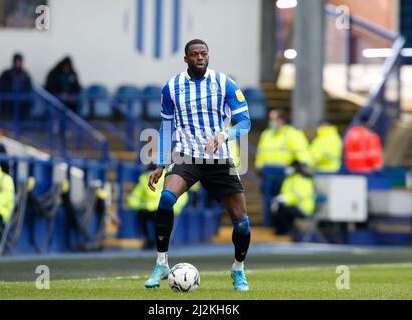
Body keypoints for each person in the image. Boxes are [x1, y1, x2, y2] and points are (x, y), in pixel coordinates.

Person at [145, 39, 252, 291]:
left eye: (204, 54)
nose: (200, 58)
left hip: (219, 158)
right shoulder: (172, 87)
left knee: (242, 222)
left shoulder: (224, 83)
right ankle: (161, 263)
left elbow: (245, 122)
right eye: (195, 54)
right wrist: (161, 163)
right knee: (166, 199)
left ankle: (238, 269)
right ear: (186, 59)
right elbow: (166, 126)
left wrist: (224, 135)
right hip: (186, 155)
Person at [128, 165, 188, 250]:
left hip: (161, 208)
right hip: (150, 209)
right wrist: (139, 206)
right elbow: (135, 197)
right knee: (143, 218)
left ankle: (158, 242)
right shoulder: (145, 180)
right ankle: (150, 240)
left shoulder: (169, 178)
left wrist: (175, 207)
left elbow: (181, 195)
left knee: (158, 223)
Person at [270, 160, 315, 235]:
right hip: (292, 205)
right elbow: (284, 193)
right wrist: (278, 201)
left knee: (282, 208)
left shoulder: (302, 179)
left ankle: (286, 232)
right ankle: (281, 232)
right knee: (276, 207)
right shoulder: (288, 179)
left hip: (303, 208)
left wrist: (283, 200)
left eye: (290, 167)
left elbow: (298, 197)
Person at [0, 53, 32, 118]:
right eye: (16, 61)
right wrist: (9, 90)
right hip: (8, 103)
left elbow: (29, 88)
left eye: (19, 61)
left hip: (21, 104)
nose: (18, 63)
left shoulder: (25, 75)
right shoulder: (6, 74)